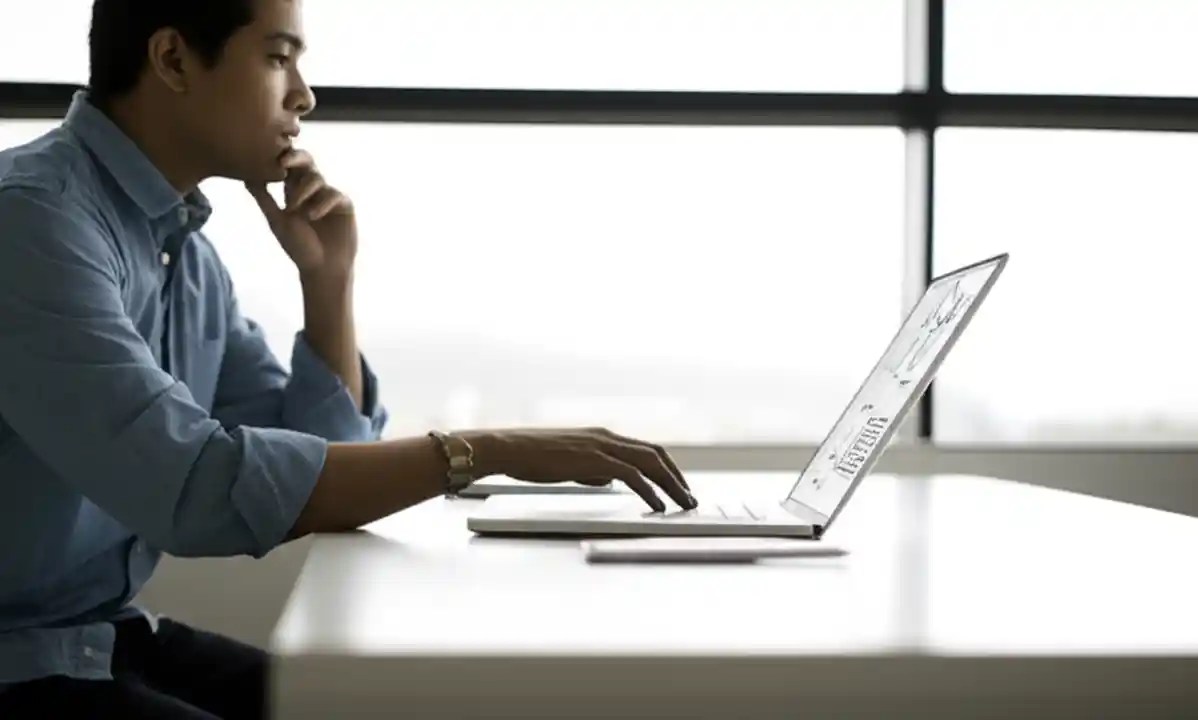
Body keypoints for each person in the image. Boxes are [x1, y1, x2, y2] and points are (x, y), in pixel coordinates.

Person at [0, 0, 698, 717]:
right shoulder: (31, 221)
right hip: (18, 662)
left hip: (95, 641)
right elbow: (196, 487)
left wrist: (327, 282)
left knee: (372, 703)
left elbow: (325, 460)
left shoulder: (184, 254)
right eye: (278, 58)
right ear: (173, 59)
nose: (303, 95)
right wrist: (484, 450)